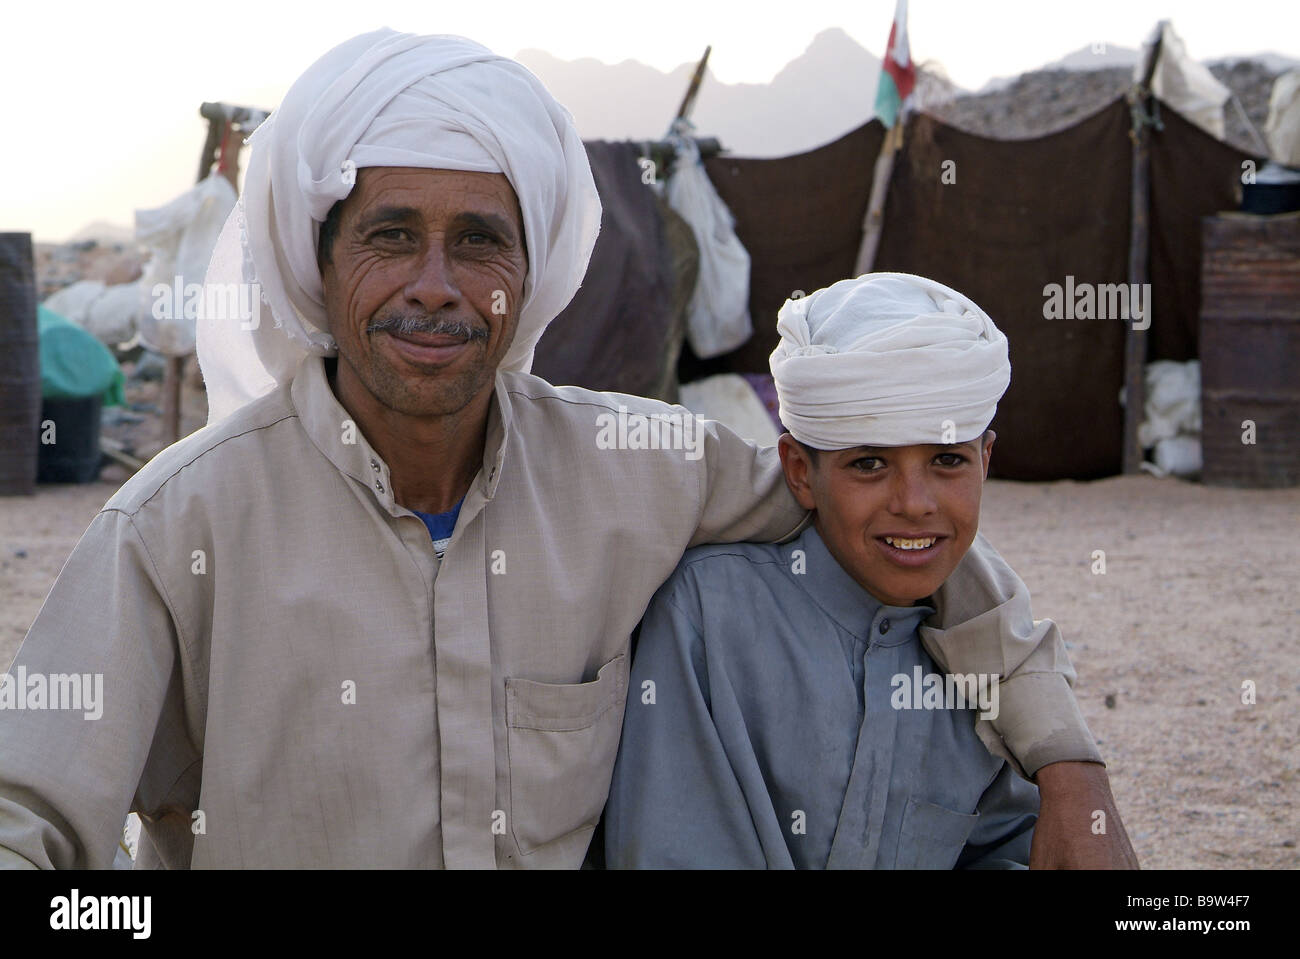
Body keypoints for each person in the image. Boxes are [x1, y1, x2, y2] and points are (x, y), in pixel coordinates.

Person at [0, 31, 1117, 870]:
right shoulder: (179, 525)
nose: (436, 286)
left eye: (479, 242)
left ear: (528, 277)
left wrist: (1068, 760)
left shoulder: (634, 468)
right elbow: (35, 815)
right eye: (391, 236)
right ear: (318, 257)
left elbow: (893, 523)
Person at [604, 274, 1137, 869]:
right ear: (800, 471)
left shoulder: (980, 654)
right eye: (869, 463)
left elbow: (999, 844)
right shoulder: (708, 614)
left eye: (946, 461)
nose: (914, 502)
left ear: (985, 460)